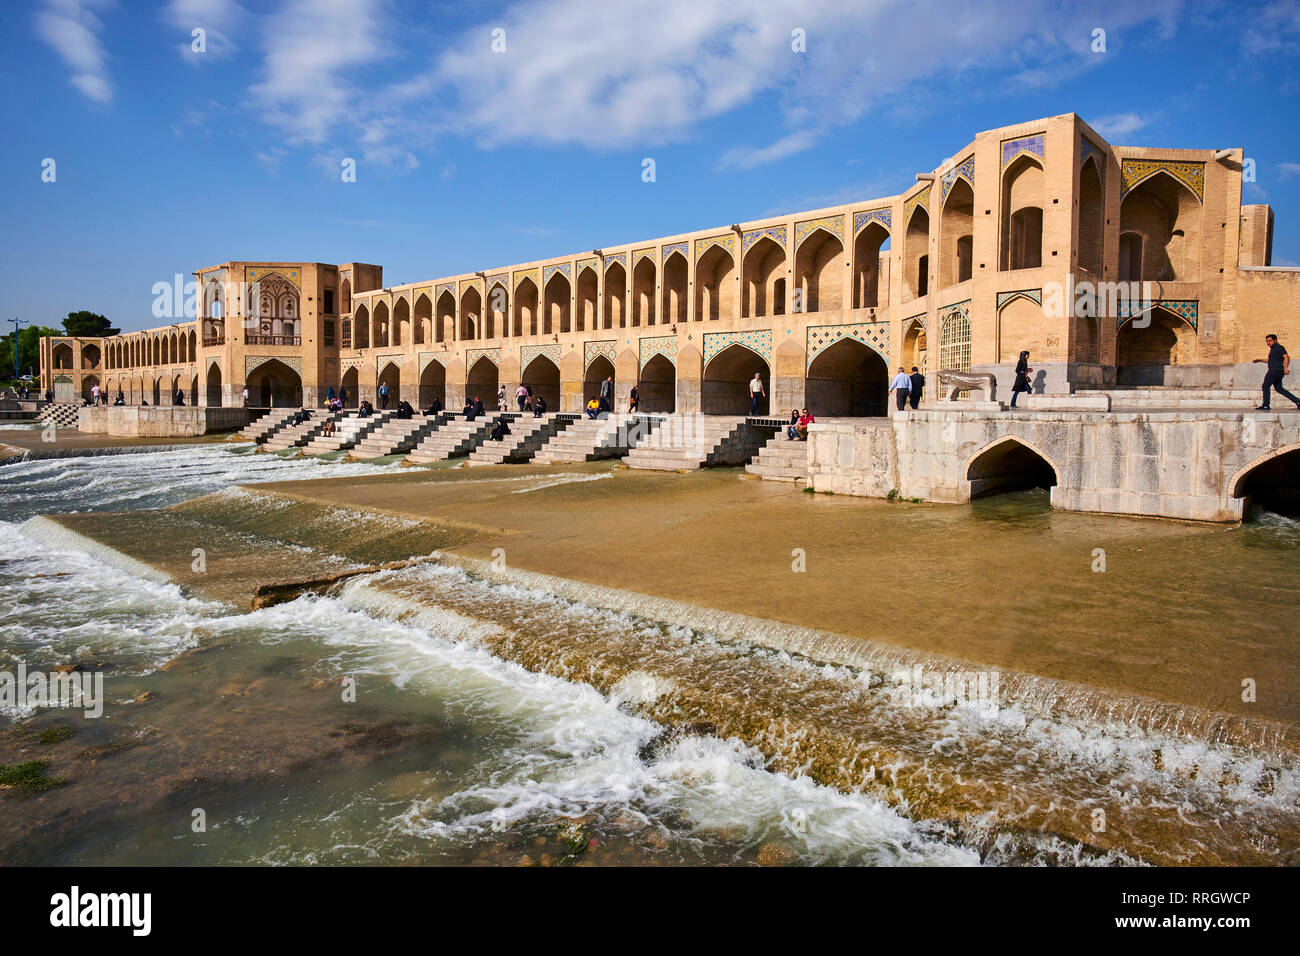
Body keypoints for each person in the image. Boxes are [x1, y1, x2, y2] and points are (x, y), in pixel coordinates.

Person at [1253, 334, 1300, 410]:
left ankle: (1266, 405)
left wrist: (1286, 368)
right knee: (1279, 388)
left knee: (1265, 386)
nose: (1268, 343)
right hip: (1277, 370)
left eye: (1270, 341)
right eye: (1267, 341)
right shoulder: (1273, 349)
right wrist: (1260, 360)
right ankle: (1297, 401)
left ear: (1275, 340)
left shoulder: (1279, 347)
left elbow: (1286, 357)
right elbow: (1271, 360)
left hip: (1275, 370)